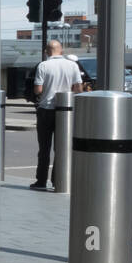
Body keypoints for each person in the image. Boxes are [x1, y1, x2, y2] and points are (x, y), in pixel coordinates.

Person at [31, 40, 84, 191]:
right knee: (62, 148)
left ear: (47, 51)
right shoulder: (72, 65)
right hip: (65, 111)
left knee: (44, 148)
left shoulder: (43, 66)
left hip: (46, 110)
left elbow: (38, 90)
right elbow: (78, 88)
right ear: (61, 51)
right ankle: (58, 180)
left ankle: (41, 181)